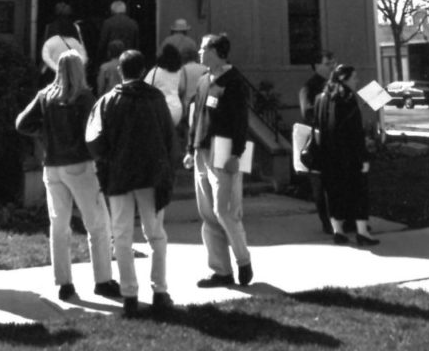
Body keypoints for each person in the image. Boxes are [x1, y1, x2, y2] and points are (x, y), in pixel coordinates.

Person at [15, 50, 121, 302]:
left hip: (52, 165)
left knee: (59, 225)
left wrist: (44, 134)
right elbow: (96, 131)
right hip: (80, 165)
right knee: (98, 224)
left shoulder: (45, 96)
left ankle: (64, 283)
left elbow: (22, 123)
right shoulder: (84, 98)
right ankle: (103, 280)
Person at [89, 50, 175, 317]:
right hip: (151, 174)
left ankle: (129, 294)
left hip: (120, 175)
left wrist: (106, 161)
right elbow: (169, 136)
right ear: (143, 71)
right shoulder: (157, 99)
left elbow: (94, 140)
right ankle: (159, 291)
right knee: (156, 235)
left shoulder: (107, 101)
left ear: (119, 71)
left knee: (122, 236)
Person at [186, 32, 254, 287]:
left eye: (204, 48)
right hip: (201, 150)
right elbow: (196, 115)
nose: (199, 53)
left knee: (224, 210)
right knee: (208, 214)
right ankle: (221, 271)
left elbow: (241, 121)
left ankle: (243, 260)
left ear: (216, 52)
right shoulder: (204, 81)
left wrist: (237, 154)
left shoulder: (234, 81)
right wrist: (189, 148)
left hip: (225, 149)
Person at [313, 63, 380, 246]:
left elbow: (318, 128)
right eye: (354, 77)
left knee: (334, 194)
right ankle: (362, 232)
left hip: (328, 156)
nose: (357, 80)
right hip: (349, 156)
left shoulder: (321, 98)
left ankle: (338, 231)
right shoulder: (348, 99)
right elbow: (355, 133)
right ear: (345, 79)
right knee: (359, 192)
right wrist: (363, 157)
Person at [298, 50, 337, 235]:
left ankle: (347, 220)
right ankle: (327, 222)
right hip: (319, 143)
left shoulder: (336, 85)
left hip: (336, 141)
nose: (333, 67)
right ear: (317, 66)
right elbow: (307, 113)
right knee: (321, 186)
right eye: (328, 63)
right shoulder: (309, 87)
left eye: (334, 63)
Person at [144, 43, 187, 129]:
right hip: (176, 109)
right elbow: (182, 88)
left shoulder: (155, 72)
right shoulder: (180, 72)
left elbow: (145, 88)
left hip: (160, 109)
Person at [41, 6, 88, 75]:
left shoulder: (49, 27)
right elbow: (82, 48)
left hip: (53, 67)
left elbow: (45, 50)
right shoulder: (75, 27)